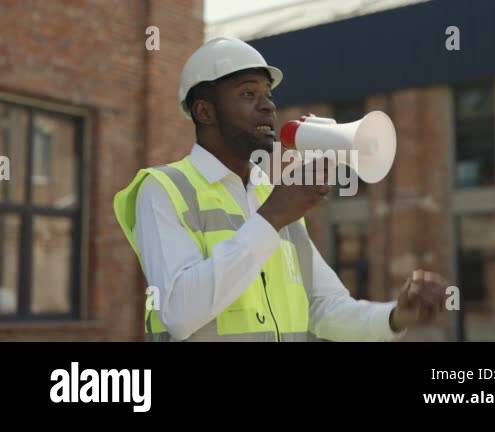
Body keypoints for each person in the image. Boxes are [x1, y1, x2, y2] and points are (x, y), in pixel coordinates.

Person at [113, 37, 448, 342]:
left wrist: (395, 316)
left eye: (268, 95)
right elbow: (179, 314)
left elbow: (325, 308)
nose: (268, 106)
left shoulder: (270, 195)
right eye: (248, 94)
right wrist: (272, 217)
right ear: (205, 111)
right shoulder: (163, 190)